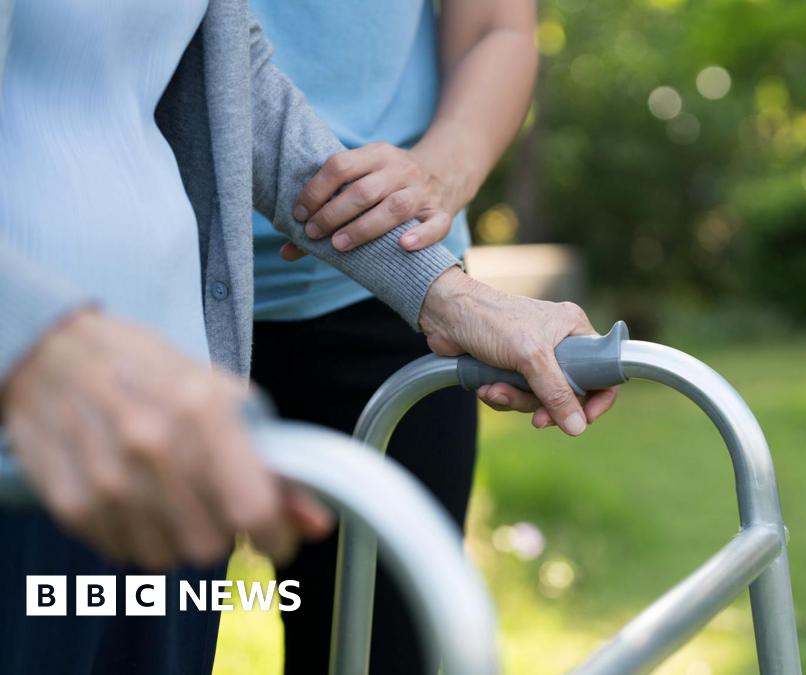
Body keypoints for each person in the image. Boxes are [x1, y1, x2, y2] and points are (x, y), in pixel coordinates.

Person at [0, 1, 616, 674]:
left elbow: (233, 80)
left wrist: (445, 291)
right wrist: (38, 343)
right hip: (43, 405)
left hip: (183, 379)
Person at [245, 1, 540, 672]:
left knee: (385, 652)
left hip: (390, 296)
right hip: (140, 297)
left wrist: (439, 172)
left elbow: (496, 25)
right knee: (103, 627)